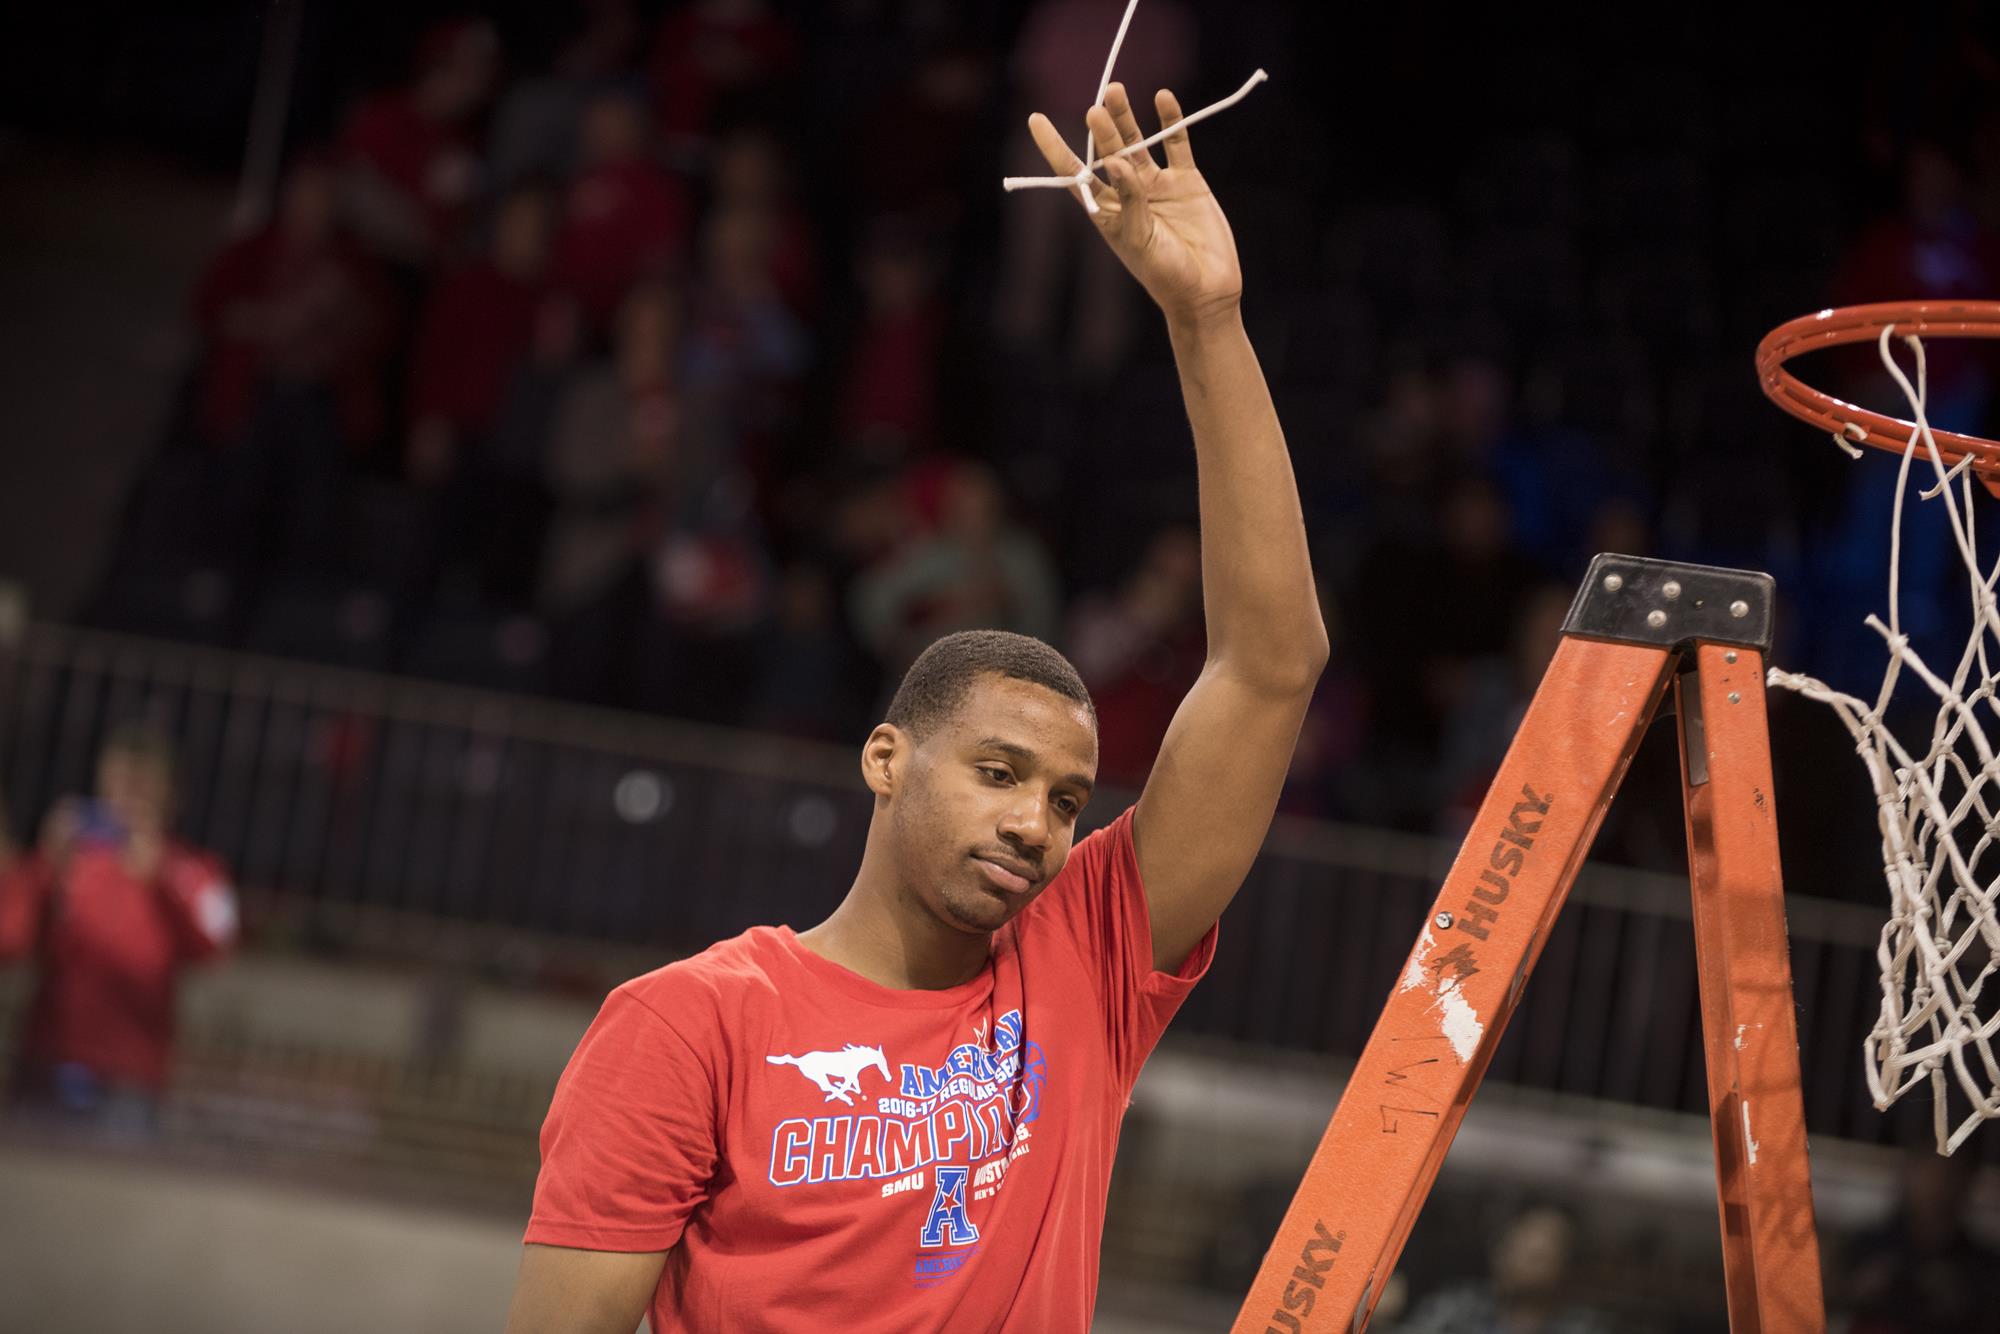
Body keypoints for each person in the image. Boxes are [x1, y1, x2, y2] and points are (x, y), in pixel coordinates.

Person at [503, 82, 1328, 1332]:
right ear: (885, 757)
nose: (1036, 824)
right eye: (996, 772)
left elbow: (1268, 663)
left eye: (1063, 798)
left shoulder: (1085, 954)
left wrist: (1204, 317)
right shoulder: (691, 1023)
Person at [0, 722, 238, 1138]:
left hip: (130, 1077)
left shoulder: (192, 869)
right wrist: (43, 864)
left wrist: (161, 878)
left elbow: (217, 944)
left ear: (170, 794)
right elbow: (14, 937)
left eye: (142, 784)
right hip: (50, 1058)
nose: (128, 798)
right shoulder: (72, 858)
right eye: (119, 782)